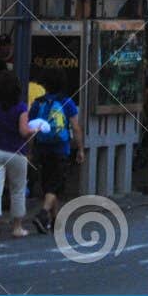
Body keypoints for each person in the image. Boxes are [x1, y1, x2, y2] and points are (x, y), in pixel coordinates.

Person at [28, 75, 85, 235]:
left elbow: (32, 129)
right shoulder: (67, 102)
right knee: (56, 184)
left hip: (42, 147)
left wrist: (30, 151)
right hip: (61, 148)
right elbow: (75, 127)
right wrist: (80, 149)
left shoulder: (38, 103)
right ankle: (43, 214)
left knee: (48, 184)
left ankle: (54, 221)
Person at [0, 72, 35, 241]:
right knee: (18, 190)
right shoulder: (21, 108)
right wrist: (34, 131)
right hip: (17, 152)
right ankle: (17, 227)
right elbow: (23, 131)